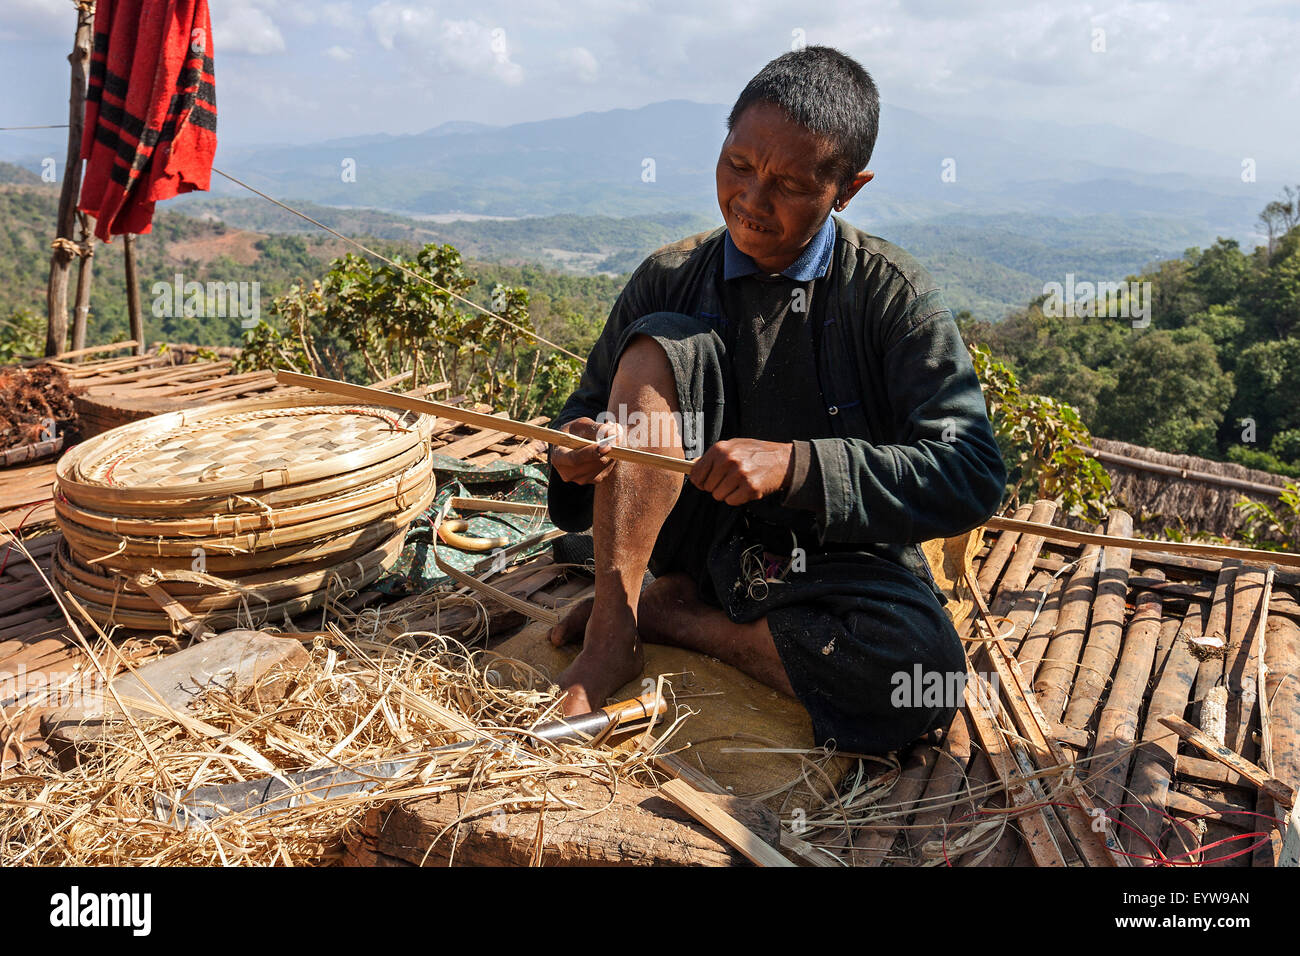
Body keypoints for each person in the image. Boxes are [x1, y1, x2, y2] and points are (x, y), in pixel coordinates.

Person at [545, 46, 1007, 755]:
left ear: (847, 189)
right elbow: (580, 413)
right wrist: (574, 448)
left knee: (925, 680)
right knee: (659, 343)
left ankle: (678, 620)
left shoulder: (890, 295)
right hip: (683, 531)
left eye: (789, 184)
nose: (752, 202)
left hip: (819, 556)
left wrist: (801, 467)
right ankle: (615, 632)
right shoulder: (668, 275)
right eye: (738, 166)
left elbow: (971, 470)